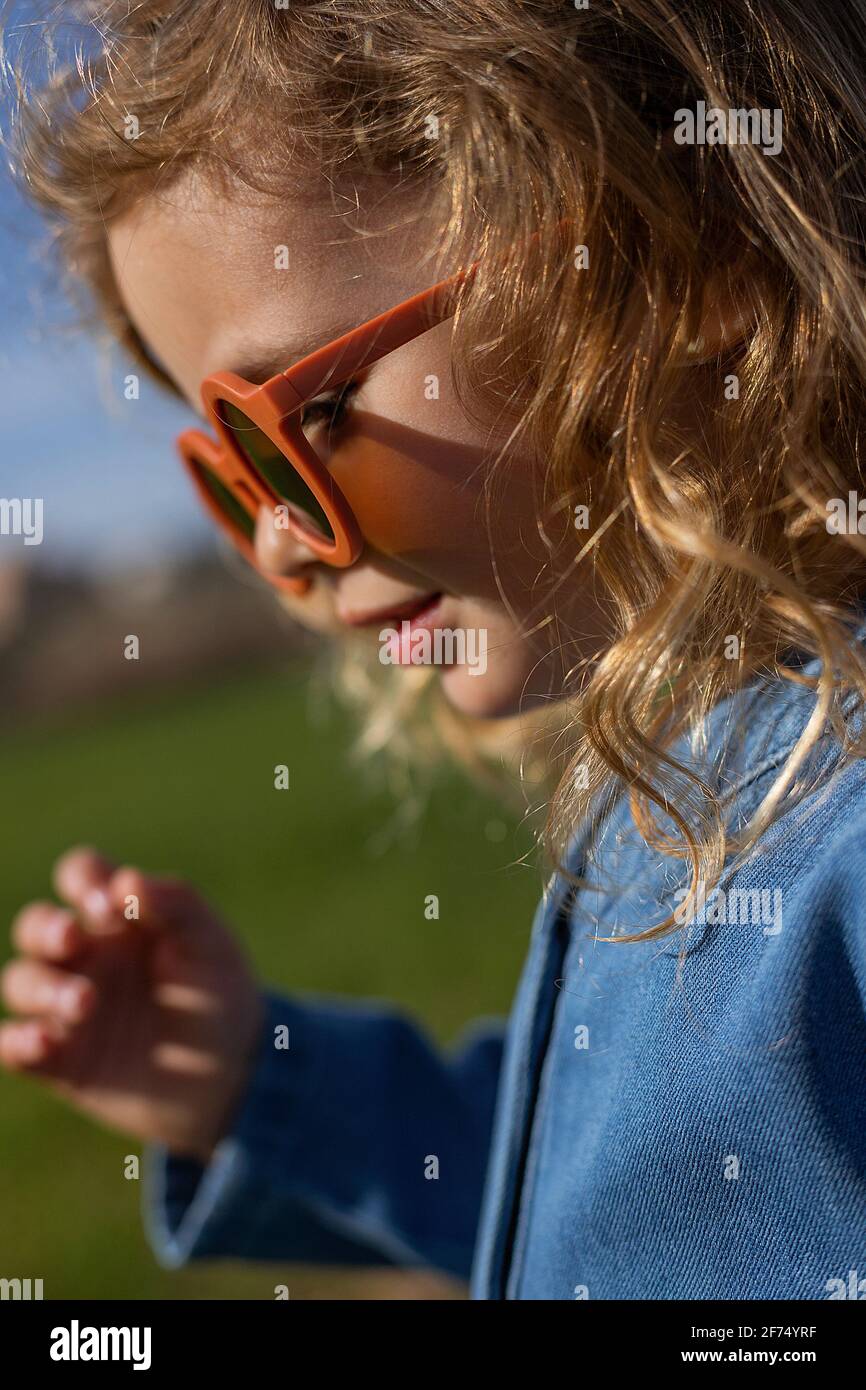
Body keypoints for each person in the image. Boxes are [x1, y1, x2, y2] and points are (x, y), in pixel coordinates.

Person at [3, 0, 866, 1299]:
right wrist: (258, 1084)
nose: (282, 547)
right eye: (226, 468)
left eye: (306, 412)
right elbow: (597, 1200)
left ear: (691, 258)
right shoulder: (692, 772)